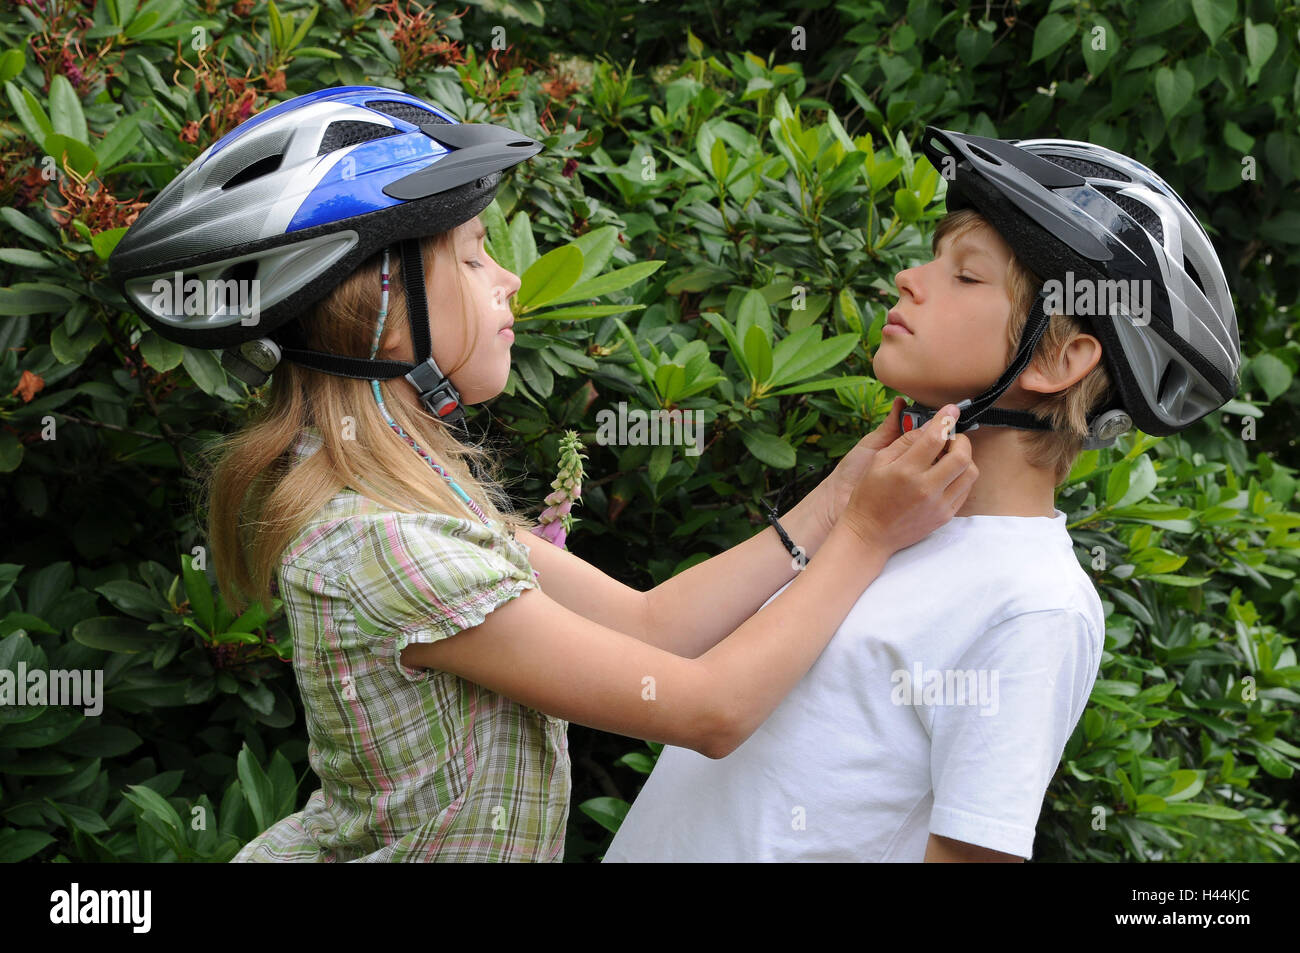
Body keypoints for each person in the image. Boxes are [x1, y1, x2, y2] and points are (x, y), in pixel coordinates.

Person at [107, 87, 978, 862]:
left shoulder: (408, 492)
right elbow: (711, 707)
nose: (511, 278)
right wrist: (867, 535)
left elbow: (654, 625)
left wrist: (844, 490)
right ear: (377, 292)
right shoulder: (390, 545)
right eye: (477, 253)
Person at [602, 126, 1242, 862]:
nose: (910, 277)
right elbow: (657, 638)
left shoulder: (1032, 602)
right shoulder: (888, 518)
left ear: (1061, 356)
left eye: (965, 275)